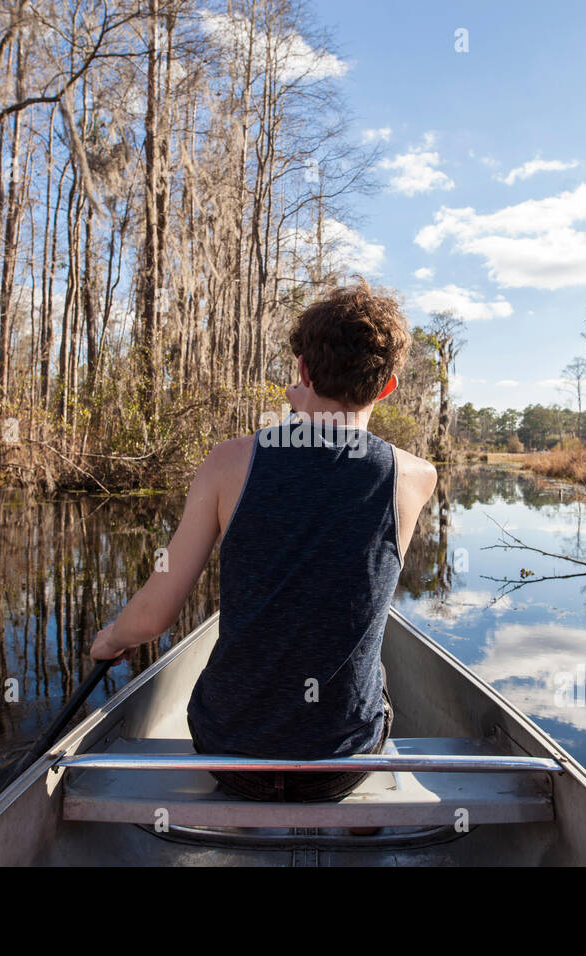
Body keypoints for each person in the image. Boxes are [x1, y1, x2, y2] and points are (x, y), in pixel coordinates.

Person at [88, 280, 438, 803]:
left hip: (229, 753)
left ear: (301, 370)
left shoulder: (229, 462)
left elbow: (152, 620)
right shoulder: (413, 476)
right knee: (375, 674)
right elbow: (332, 528)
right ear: (387, 387)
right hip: (343, 764)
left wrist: (112, 639)